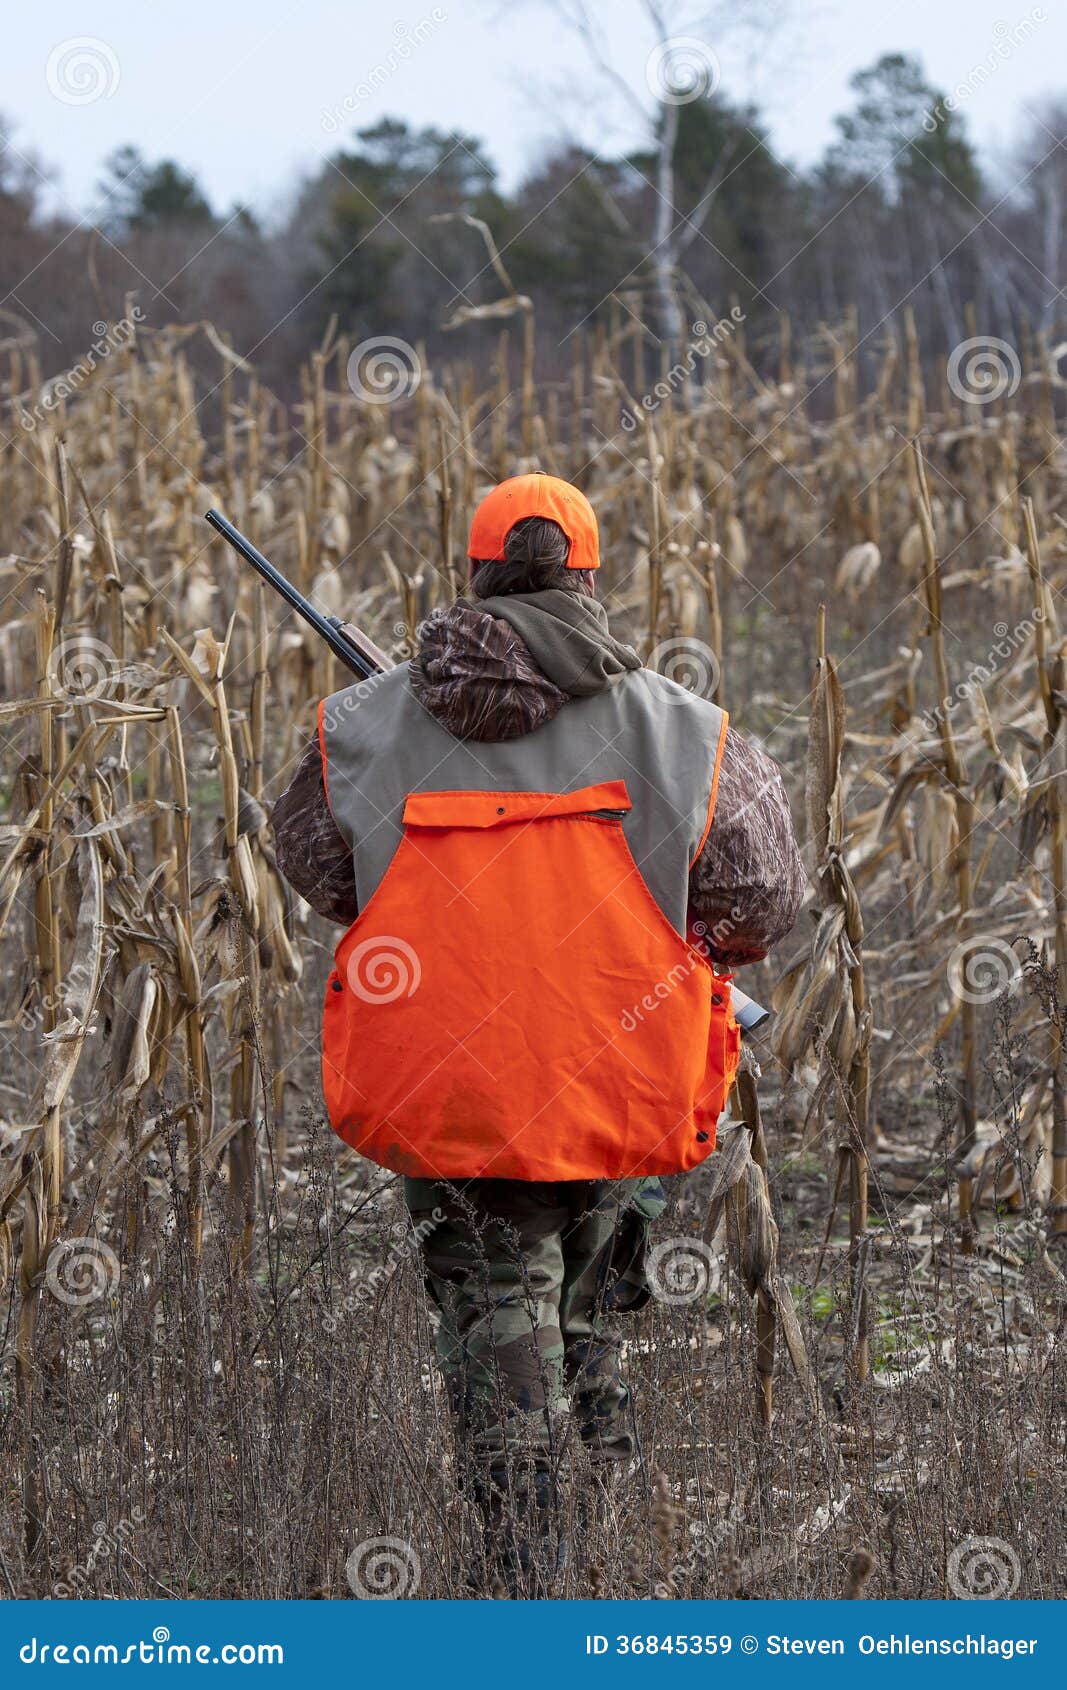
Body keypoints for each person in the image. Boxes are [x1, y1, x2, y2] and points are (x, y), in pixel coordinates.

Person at [272, 473, 804, 1593]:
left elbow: (324, 873)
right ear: (588, 582)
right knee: (593, 1312)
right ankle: (594, 1561)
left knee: (498, 1327)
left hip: (453, 1093)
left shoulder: (363, 726)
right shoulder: (685, 727)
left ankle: (526, 1582)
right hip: (621, 1075)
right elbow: (759, 902)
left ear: (474, 577)